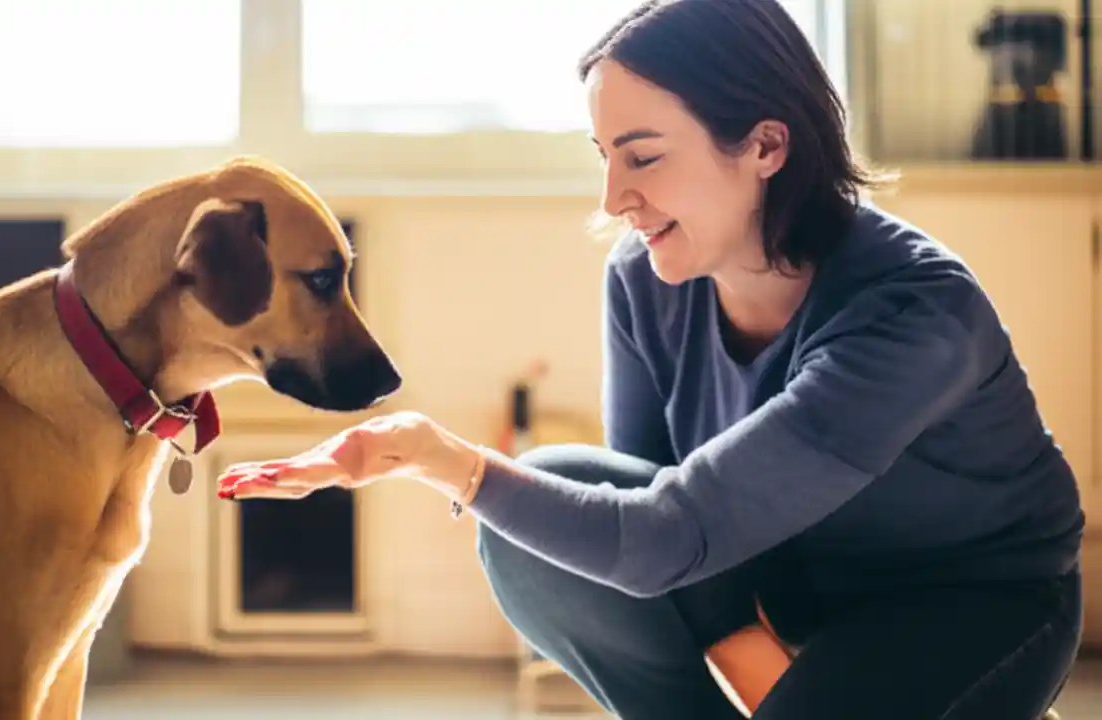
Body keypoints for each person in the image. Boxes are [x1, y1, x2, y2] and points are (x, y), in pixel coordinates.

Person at [217, 1, 1086, 718]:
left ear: (766, 148)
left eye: (643, 157)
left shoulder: (912, 312)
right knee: (540, 518)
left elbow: (665, 536)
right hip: (782, 578)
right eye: (604, 158)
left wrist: (438, 458)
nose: (612, 198)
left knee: (533, 500)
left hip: (969, 604)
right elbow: (644, 490)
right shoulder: (646, 276)